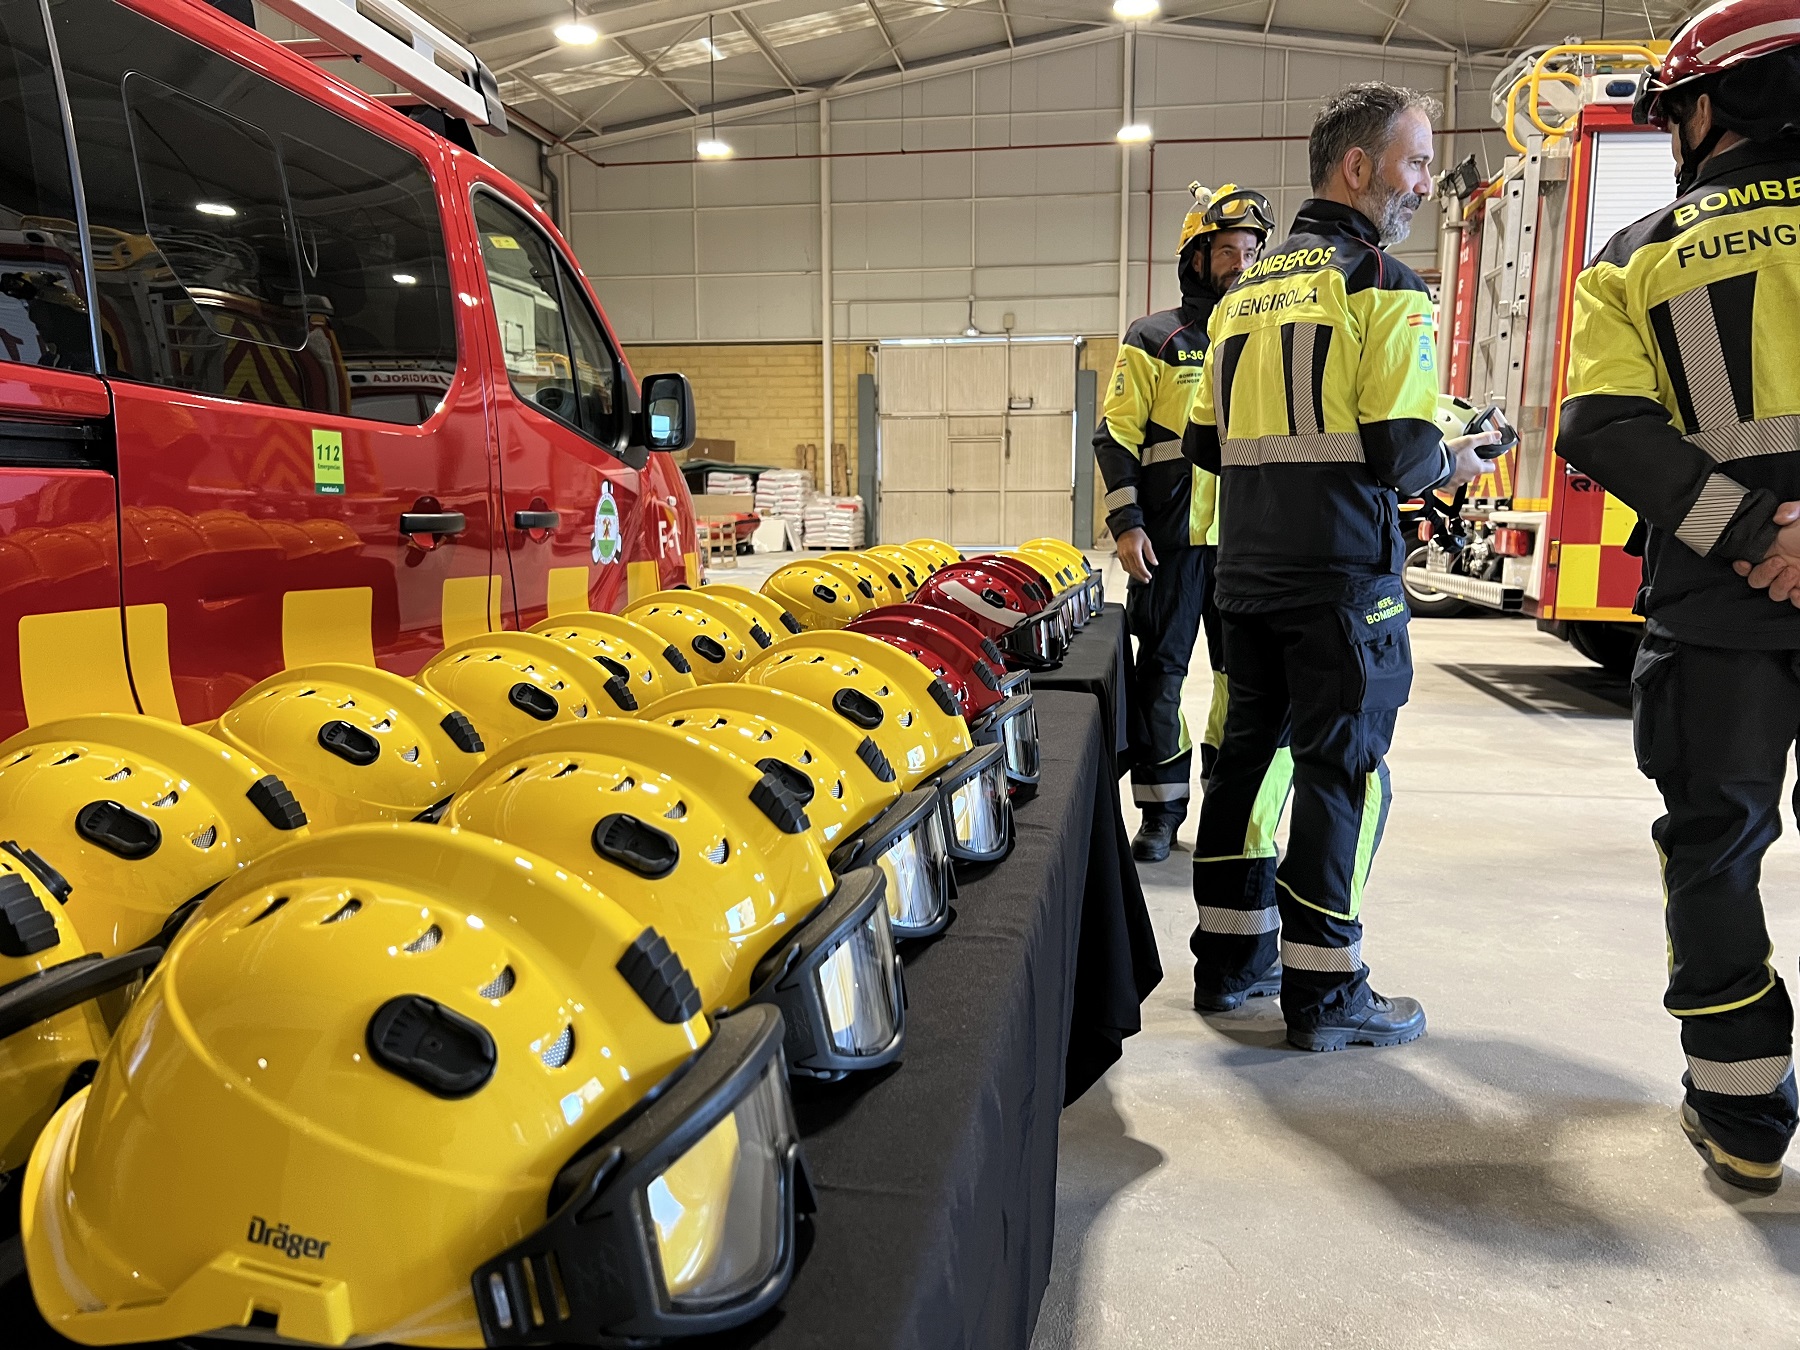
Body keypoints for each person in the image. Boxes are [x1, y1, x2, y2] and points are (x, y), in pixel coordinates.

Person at [1181, 83, 1498, 1048]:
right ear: (1356, 168)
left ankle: (1232, 961)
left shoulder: (1241, 294)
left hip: (1246, 576)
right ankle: (1326, 991)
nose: (1422, 184)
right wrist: (1461, 455)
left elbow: (1204, 445)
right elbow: (1403, 452)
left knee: (1243, 763)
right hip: (1342, 584)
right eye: (1413, 162)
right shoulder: (1384, 288)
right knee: (1342, 775)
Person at [1556, 0, 1800, 1193]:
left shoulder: (1636, 257)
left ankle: (1744, 1116)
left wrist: (1757, 535)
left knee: (1715, 850)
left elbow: (1599, 428)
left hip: (1716, 612)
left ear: (1707, 109)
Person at [1096, 182, 1275, 863]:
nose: (1241, 262)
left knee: (1242, 688)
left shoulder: (1270, 339)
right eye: (1227, 249)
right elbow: (1116, 436)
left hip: (1247, 549)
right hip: (1169, 546)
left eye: (1252, 251)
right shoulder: (1155, 337)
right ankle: (1162, 812)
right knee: (1159, 682)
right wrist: (1127, 525)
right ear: (1197, 259)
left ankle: (1229, 808)